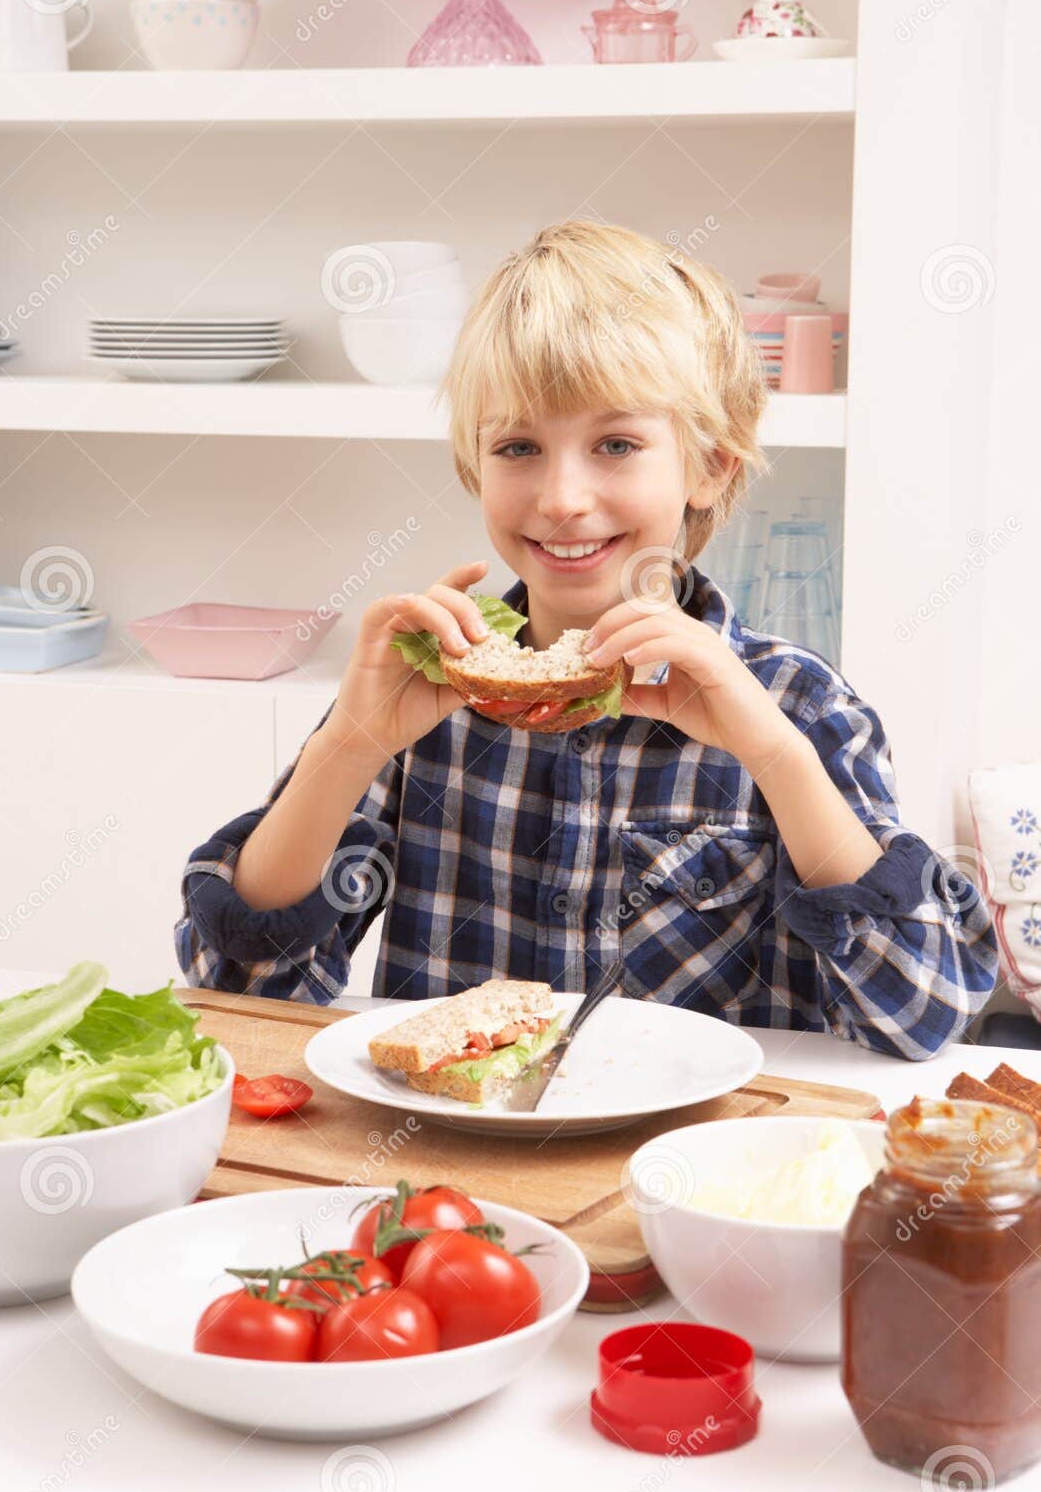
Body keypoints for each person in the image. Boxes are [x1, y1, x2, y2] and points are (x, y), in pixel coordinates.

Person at [176, 220, 997, 1057]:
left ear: (708, 465)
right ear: (473, 467)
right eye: (518, 446)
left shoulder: (796, 703)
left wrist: (775, 758)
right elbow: (239, 992)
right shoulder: (420, 697)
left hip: (687, 1171)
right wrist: (346, 747)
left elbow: (920, 1015)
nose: (563, 497)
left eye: (616, 444)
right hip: (455, 1164)